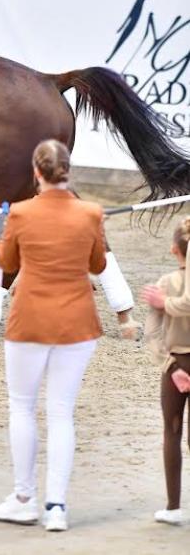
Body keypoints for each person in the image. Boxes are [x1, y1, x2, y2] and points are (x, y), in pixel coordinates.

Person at [0, 139, 107, 532]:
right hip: (77, 322)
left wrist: (0, 232)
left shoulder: (21, 213)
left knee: (22, 407)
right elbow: (97, 264)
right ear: (66, 170)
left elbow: (6, 265)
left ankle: (24, 498)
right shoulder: (91, 212)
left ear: (36, 172)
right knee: (61, 412)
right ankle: (56, 506)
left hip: (31, 321)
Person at [142, 217, 190, 525]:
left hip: (176, 365)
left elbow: (152, 333)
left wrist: (169, 366)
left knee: (172, 433)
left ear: (174, 250)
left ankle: (173, 507)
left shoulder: (165, 283)